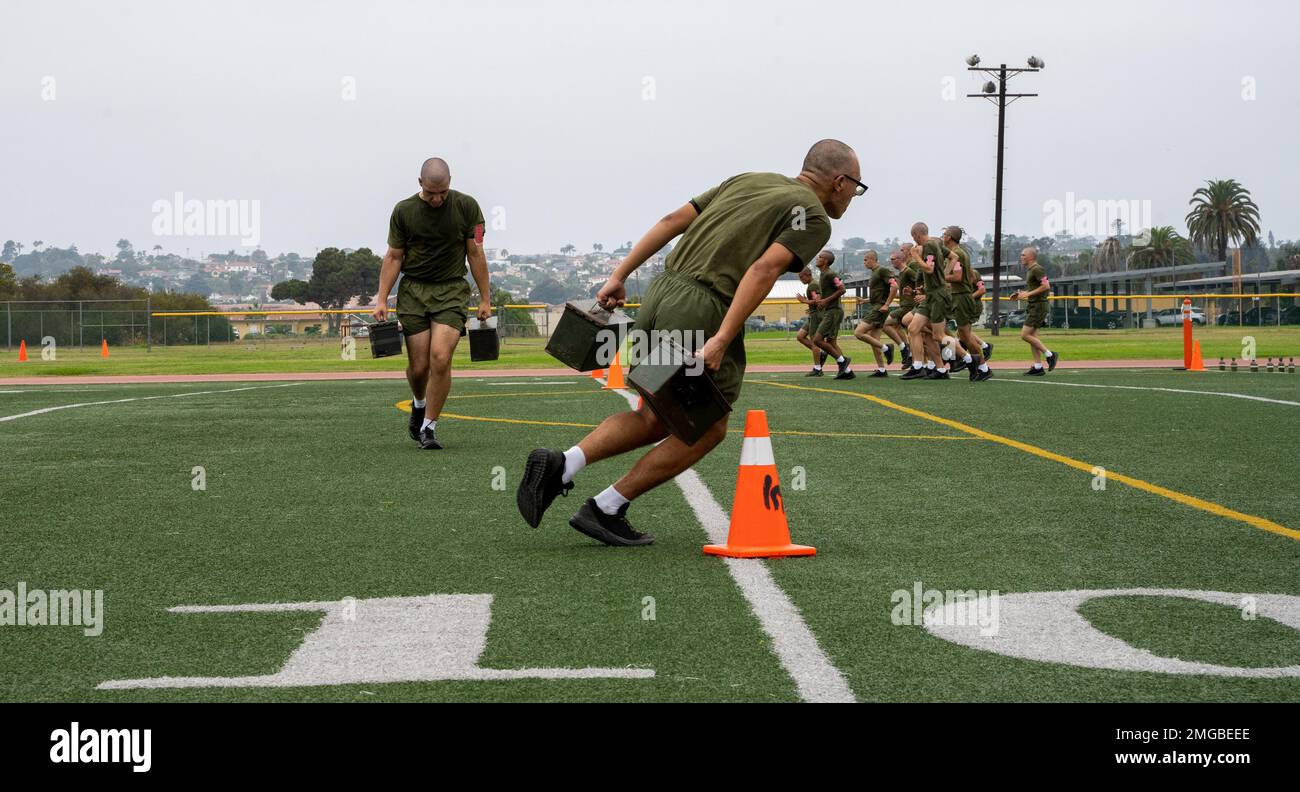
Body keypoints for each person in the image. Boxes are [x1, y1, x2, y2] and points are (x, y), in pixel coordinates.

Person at [517, 140, 862, 546]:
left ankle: (564, 466)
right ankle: (606, 507)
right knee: (709, 427)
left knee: (655, 414)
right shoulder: (816, 217)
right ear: (838, 181)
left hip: (662, 296)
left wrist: (619, 274)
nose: (854, 196)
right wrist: (719, 338)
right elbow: (764, 269)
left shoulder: (747, 179)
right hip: (702, 309)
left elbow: (670, 220)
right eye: (856, 187)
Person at [373, 157, 493, 449]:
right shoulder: (403, 211)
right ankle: (419, 402)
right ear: (420, 184)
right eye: (431, 193)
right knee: (418, 368)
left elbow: (475, 253)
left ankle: (429, 427)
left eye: (443, 192)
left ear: (450, 184)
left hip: (451, 291)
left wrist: (485, 297)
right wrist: (381, 298)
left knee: (440, 357)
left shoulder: (468, 208)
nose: (437, 199)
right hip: (413, 292)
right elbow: (394, 257)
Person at [942, 226, 992, 382]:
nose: (942, 237)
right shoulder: (955, 254)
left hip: (962, 297)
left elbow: (957, 277)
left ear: (949, 237)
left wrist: (939, 277)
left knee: (965, 335)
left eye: (944, 234)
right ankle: (955, 360)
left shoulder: (957, 254)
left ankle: (983, 367)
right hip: (957, 297)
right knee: (957, 333)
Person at [1009, 246, 1058, 376]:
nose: (1021, 257)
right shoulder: (1031, 270)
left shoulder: (1037, 269)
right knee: (1033, 337)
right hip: (1033, 305)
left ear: (1031, 256)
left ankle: (1050, 354)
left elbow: (1046, 286)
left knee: (1025, 335)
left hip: (1038, 306)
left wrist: (1027, 294)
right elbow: (1035, 288)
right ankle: (1038, 367)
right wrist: (1021, 294)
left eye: (1023, 255)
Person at [852, 249, 898, 377]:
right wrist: (864, 300)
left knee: (858, 332)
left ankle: (886, 348)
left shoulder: (882, 270)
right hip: (876, 306)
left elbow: (894, 286)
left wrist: (886, 305)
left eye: (865, 260)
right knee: (874, 340)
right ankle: (882, 370)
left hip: (879, 309)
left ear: (872, 259)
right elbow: (879, 293)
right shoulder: (874, 273)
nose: (864, 262)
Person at [811, 250, 854, 379]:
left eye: (820, 257)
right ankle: (847, 372)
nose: (817, 258)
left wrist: (825, 301)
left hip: (834, 311)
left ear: (825, 261)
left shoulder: (830, 274)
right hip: (829, 311)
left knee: (817, 340)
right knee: (831, 342)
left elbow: (842, 289)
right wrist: (821, 303)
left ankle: (842, 361)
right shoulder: (823, 274)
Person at [794, 266, 828, 376]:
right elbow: (816, 301)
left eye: (801, 277)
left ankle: (817, 368)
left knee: (814, 341)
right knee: (800, 336)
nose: (800, 279)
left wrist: (804, 301)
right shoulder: (811, 284)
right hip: (813, 314)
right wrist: (810, 307)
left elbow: (817, 300)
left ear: (808, 274)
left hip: (816, 316)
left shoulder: (813, 284)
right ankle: (821, 354)